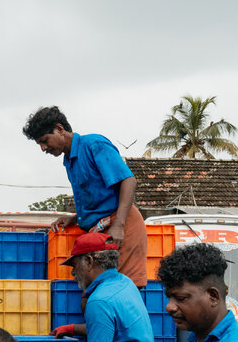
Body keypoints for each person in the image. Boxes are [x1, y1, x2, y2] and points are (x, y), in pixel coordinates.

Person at [22, 106, 148, 288]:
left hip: (122, 226)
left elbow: (128, 181)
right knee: (95, 293)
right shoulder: (69, 161)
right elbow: (98, 199)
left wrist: (119, 225)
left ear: (59, 129)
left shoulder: (94, 145)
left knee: (123, 290)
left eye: (44, 140)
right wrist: (74, 218)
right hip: (100, 230)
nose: (43, 148)